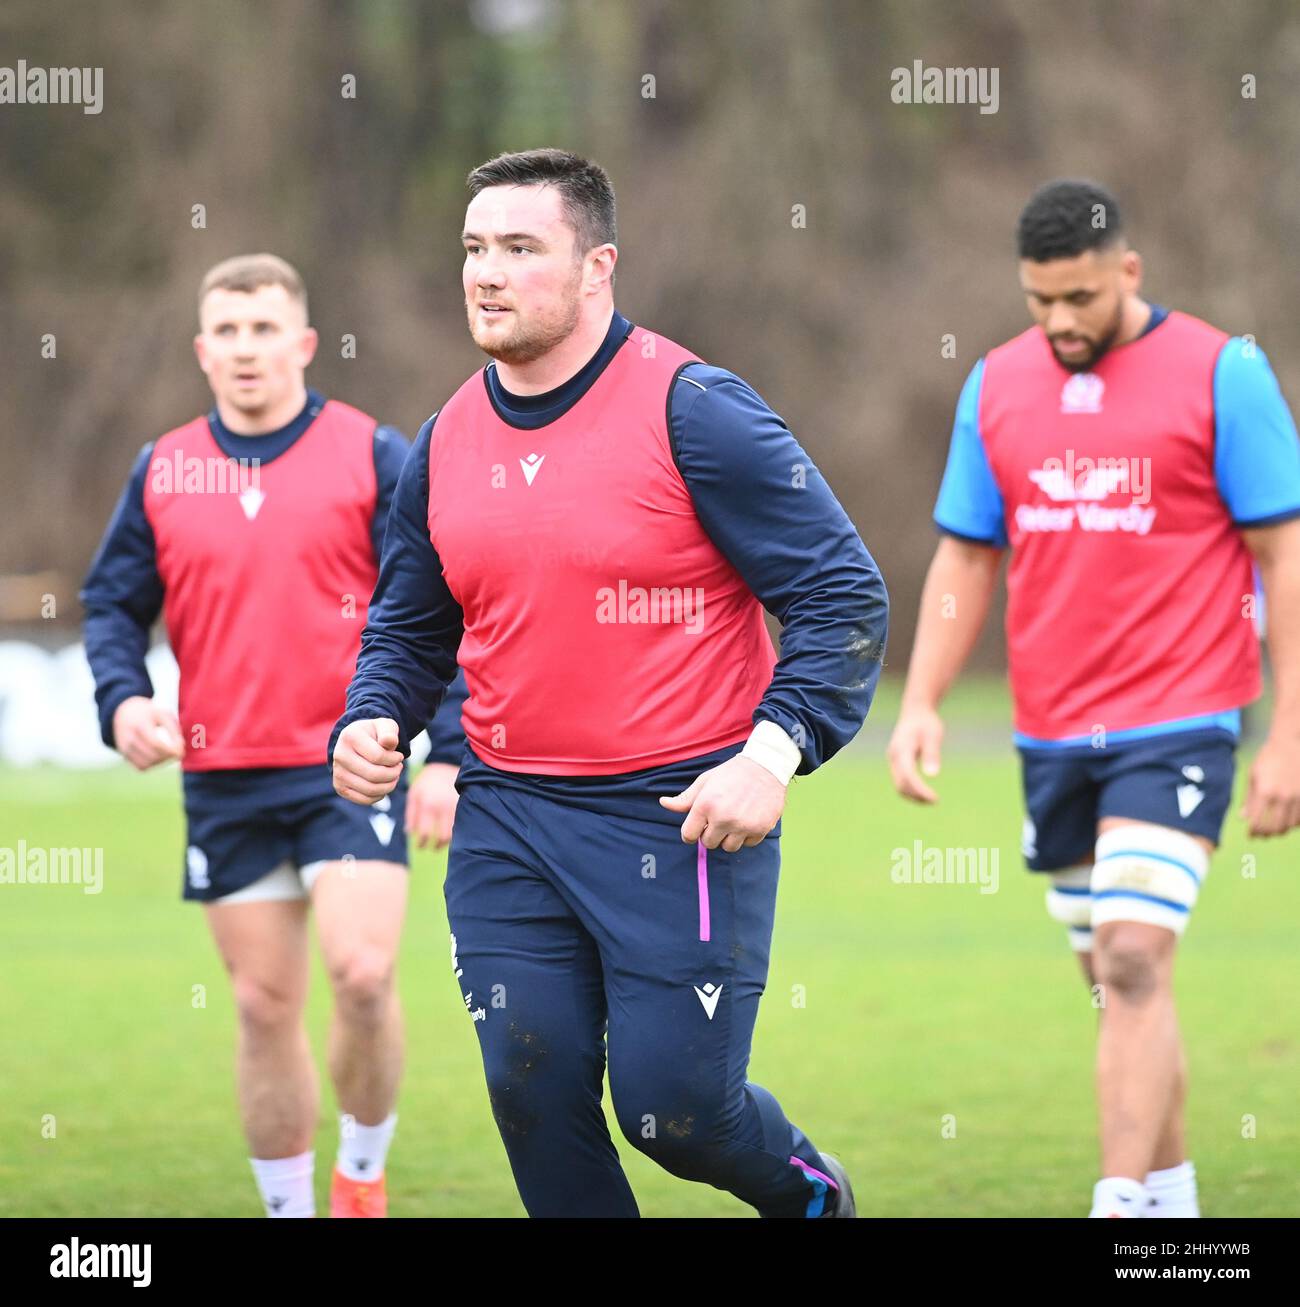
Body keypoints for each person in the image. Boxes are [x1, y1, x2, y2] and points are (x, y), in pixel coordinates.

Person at [329, 148, 889, 1217]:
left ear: (598, 269)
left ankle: (814, 1196)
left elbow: (842, 594)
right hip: (510, 814)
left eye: (519, 249)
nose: (485, 274)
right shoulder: (445, 440)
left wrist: (771, 755)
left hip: (679, 816)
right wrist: (372, 716)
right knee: (529, 1083)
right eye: (474, 249)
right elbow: (409, 622)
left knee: (674, 1111)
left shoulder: (696, 410)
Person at [887, 179, 1300, 1218]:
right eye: (1039, 301)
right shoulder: (992, 385)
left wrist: (1290, 731)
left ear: (1128, 270)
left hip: (1185, 715)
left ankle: (1115, 1201)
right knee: (1120, 983)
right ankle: (1169, 1212)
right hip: (1053, 730)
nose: (1060, 321)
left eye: (1079, 297)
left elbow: (1281, 553)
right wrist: (923, 698)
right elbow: (966, 555)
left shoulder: (1224, 371)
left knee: (1129, 951)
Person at [81, 253, 465, 1218]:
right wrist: (124, 700)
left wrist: (450, 752)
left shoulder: (372, 452)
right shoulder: (163, 466)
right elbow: (110, 604)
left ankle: (362, 1180)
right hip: (224, 778)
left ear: (301, 343)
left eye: (266, 329)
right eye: (229, 332)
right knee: (260, 1008)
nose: (247, 349)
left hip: (352, 767)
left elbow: (443, 600)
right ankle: (289, 1211)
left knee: (364, 974)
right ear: (204, 351)